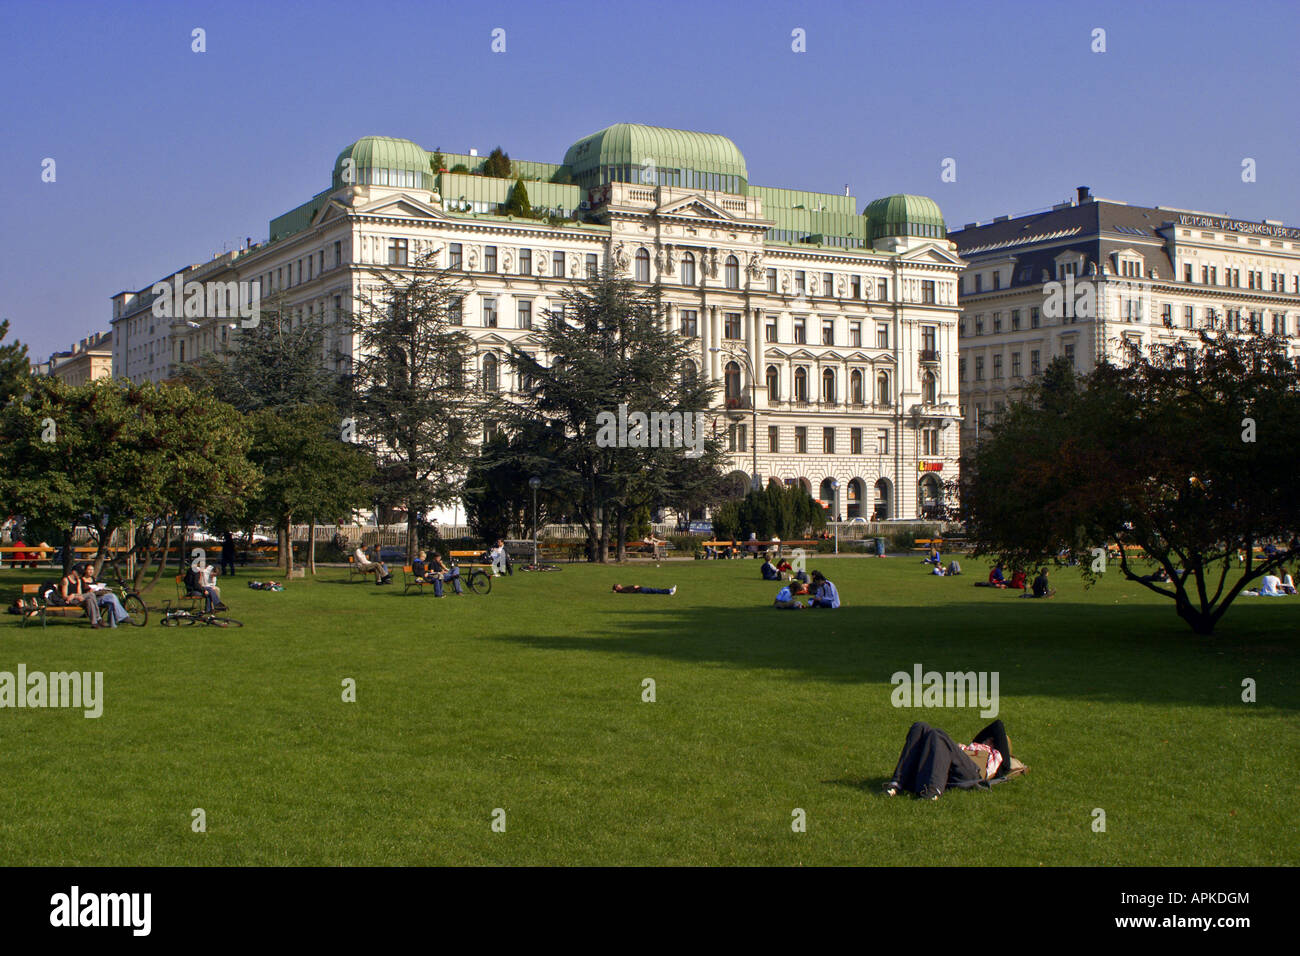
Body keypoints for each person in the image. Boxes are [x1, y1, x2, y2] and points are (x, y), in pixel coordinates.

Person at [882, 719, 1019, 799]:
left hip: (972, 773)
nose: (989, 740)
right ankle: (897, 783)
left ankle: (933, 790)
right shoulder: (971, 747)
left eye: (993, 740)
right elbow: (980, 737)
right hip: (952, 767)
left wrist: (997, 744)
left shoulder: (999, 758)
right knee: (920, 726)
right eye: (989, 738)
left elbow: (998, 725)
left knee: (937, 734)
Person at [52, 563, 103, 628]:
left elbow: (80, 593)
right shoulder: (66, 580)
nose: (80, 575)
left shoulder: (78, 580)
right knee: (91, 594)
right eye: (79, 573)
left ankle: (94, 623)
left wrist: (75, 595)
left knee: (89, 600)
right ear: (73, 572)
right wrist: (74, 596)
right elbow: (64, 596)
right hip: (69, 600)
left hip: (77, 599)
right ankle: (98, 618)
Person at [611, 584, 676, 595]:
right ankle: (669, 590)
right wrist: (635, 587)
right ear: (617, 588)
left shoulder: (622, 589)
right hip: (641, 590)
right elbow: (630, 591)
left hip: (640, 589)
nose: (619, 584)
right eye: (618, 585)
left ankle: (669, 592)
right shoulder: (622, 590)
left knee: (654, 591)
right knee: (655, 590)